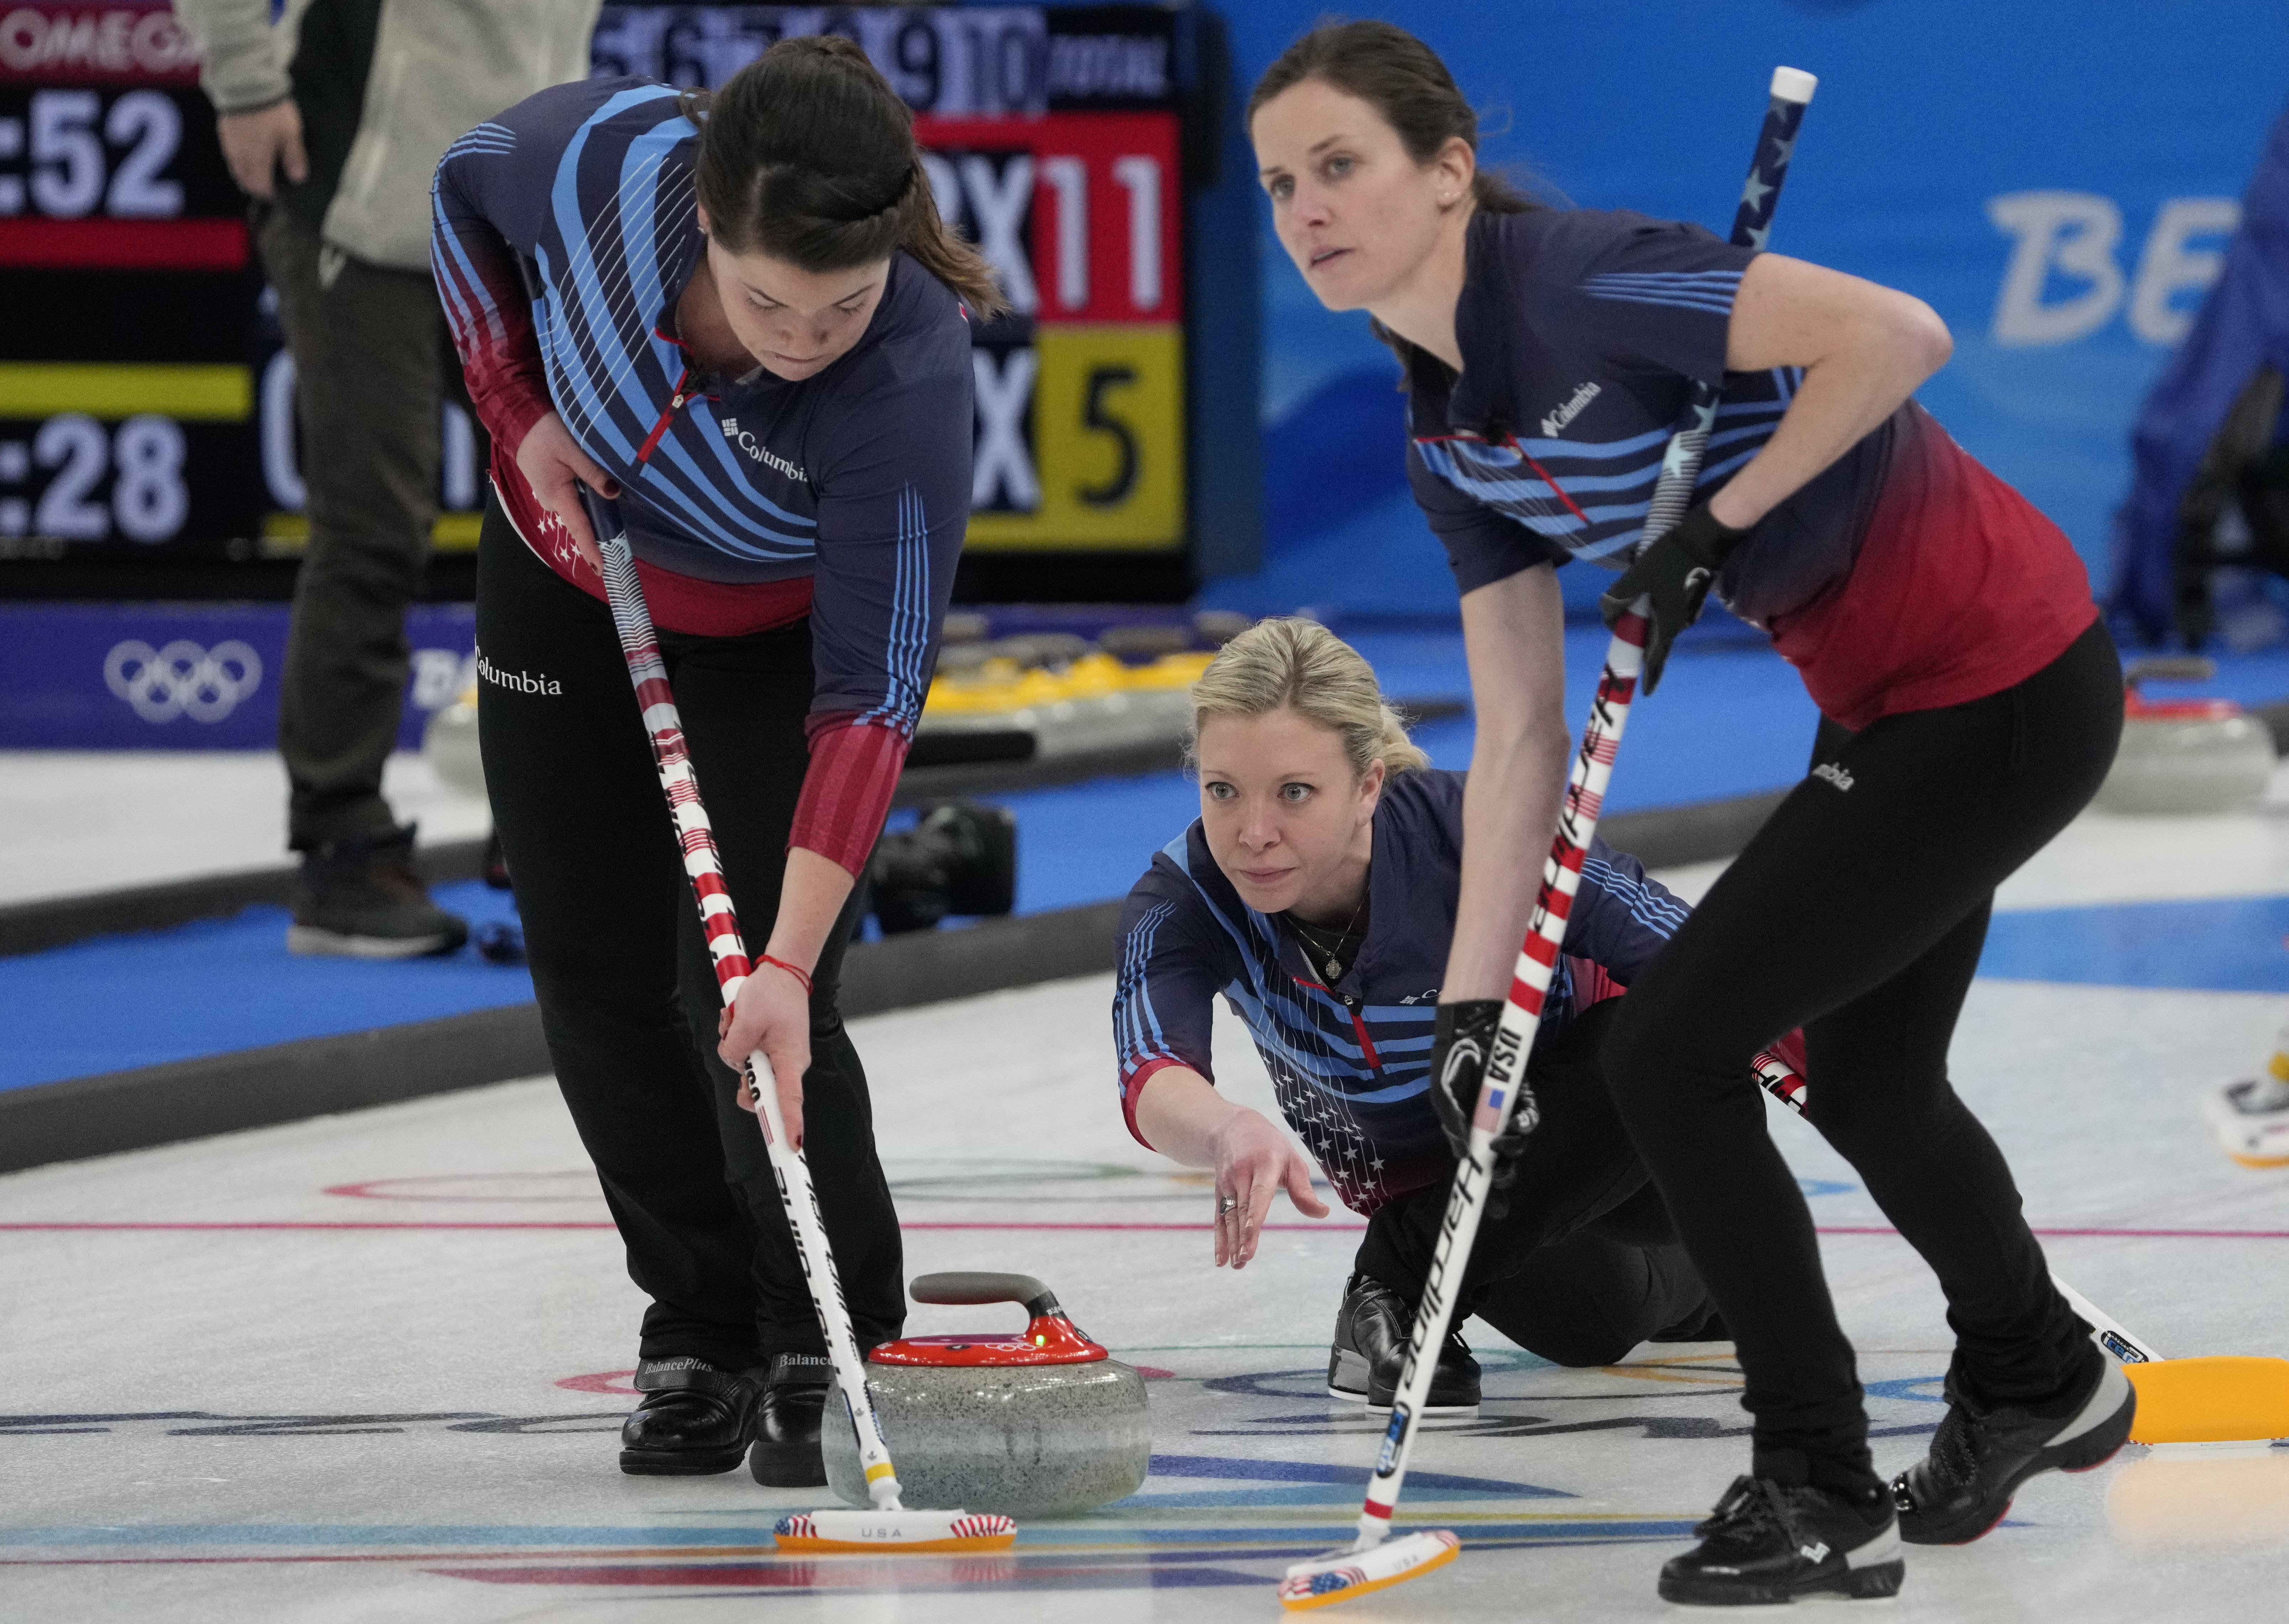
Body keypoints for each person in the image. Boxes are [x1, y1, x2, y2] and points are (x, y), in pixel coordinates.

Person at [1248, 22, 2133, 1607]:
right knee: (1866, 1075)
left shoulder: (1583, 280)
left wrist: (1706, 526)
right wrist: (1471, 1005)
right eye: (1278, 185)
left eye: (1339, 167)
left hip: (1996, 681)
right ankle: (2037, 1370)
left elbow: (1897, 337)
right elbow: (1517, 732)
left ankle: (1814, 1476)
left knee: (1673, 1049)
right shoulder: (1449, 440)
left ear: (1446, 173)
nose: (1306, 208)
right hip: (1896, 703)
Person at [431, 37, 998, 1487]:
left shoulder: (910, 367)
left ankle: (829, 1322)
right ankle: (697, 1323)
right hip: (571, 572)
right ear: (701, 231)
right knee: (593, 964)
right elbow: (456, 193)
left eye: (840, 305)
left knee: (737, 984)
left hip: (770, 639)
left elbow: (870, 701)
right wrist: (513, 405)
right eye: (764, 302)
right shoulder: (602, 170)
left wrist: (794, 970)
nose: (803, 336)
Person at [1115, 618, 1731, 1412]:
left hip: (1602, 1129)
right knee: (1596, 1329)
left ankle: (1390, 1282)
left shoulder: (1482, 829)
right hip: (1442, 1187)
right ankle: (1714, 1280)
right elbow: (1152, 1071)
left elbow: (1697, 966)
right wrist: (1225, 1128)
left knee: (1660, 1045)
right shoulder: (1184, 898)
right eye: (1222, 790)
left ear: (1369, 783)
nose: (1253, 834)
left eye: (1294, 792)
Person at [173, 0, 599, 956]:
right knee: (376, 527)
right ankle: (343, 850)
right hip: (365, 208)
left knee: (585, 507)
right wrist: (245, 84)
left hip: (511, 230)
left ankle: (550, 834)